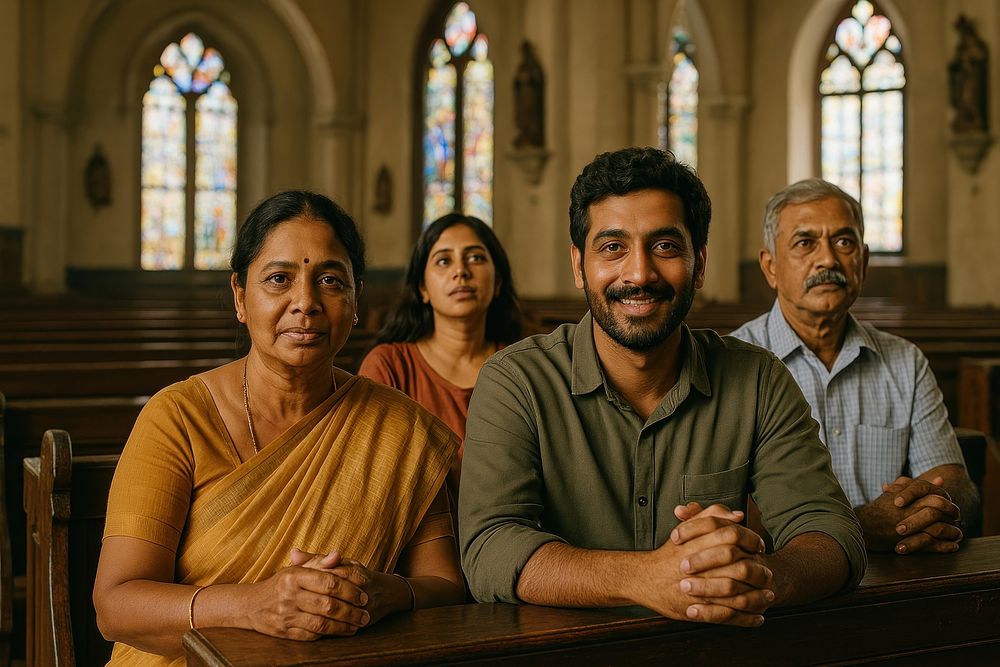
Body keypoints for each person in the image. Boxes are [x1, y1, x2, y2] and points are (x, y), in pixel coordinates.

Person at [459, 147, 866, 629]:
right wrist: (644, 577)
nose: (639, 274)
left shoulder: (759, 380)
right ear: (578, 264)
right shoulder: (517, 381)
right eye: (612, 247)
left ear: (699, 263)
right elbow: (489, 547)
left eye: (665, 246)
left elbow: (831, 532)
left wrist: (752, 578)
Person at [93, 191, 465, 665]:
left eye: (330, 280)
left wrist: (384, 592)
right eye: (278, 279)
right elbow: (116, 606)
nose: (306, 302)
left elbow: (445, 588)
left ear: (355, 301)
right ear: (240, 297)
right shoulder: (178, 418)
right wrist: (253, 606)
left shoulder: (401, 427)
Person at [729, 178, 981, 555]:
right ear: (771, 266)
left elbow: (952, 480)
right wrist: (865, 526)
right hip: (783, 592)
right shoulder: (732, 365)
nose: (828, 260)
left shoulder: (905, 362)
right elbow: (741, 524)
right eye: (805, 242)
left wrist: (922, 510)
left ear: (862, 262)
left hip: (901, 578)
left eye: (844, 242)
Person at [359, 212, 522, 495]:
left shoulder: (521, 367)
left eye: (476, 258)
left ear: (497, 283)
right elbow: (372, 475)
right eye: (444, 261)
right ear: (423, 288)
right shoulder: (389, 366)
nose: (461, 271)